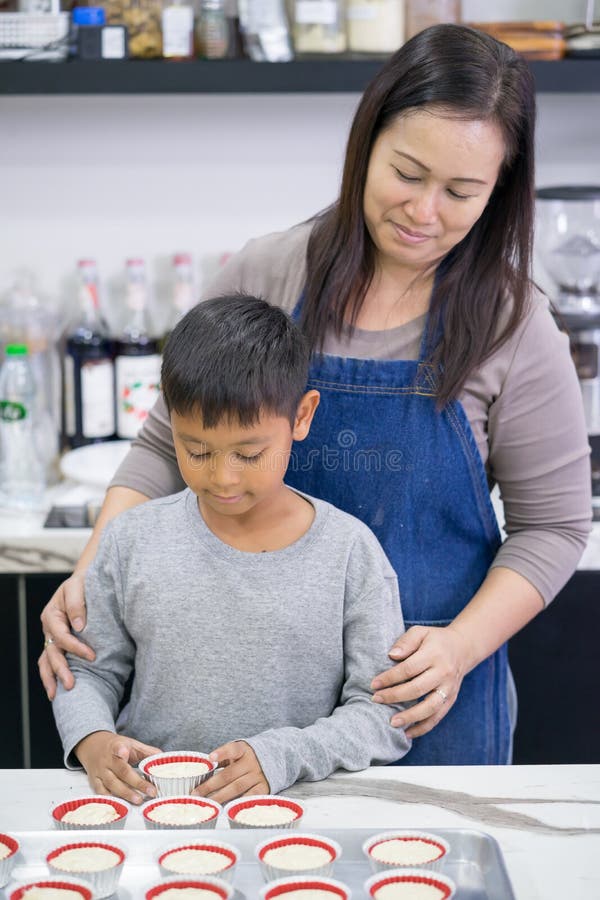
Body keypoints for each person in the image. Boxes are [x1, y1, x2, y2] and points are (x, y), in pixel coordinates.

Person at [42, 24, 591, 767]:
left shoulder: (512, 326)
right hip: (249, 714)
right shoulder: (268, 272)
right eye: (407, 172)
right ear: (366, 144)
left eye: (461, 192)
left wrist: (458, 649)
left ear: (497, 191)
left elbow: (553, 528)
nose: (425, 212)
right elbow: (165, 445)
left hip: (418, 701)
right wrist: (90, 577)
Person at [51, 294, 410, 804]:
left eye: (249, 453)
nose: (222, 477)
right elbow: (87, 670)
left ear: (302, 417)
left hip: (297, 814)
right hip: (153, 813)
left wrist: (283, 755)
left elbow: (383, 717)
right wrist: (91, 738)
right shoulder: (132, 540)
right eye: (196, 450)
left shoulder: (349, 553)